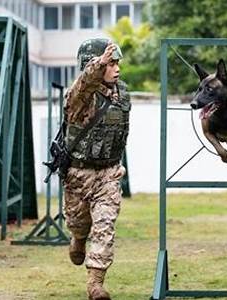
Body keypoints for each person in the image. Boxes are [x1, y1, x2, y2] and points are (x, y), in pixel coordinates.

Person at [62, 38, 130, 300]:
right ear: (93, 65)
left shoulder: (122, 93)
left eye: (117, 63)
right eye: (111, 63)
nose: (117, 68)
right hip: (79, 174)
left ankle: (95, 284)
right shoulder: (79, 95)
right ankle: (78, 238)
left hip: (108, 174)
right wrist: (98, 64)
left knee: (105, 226)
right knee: (79, 224)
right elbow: (84, 85)